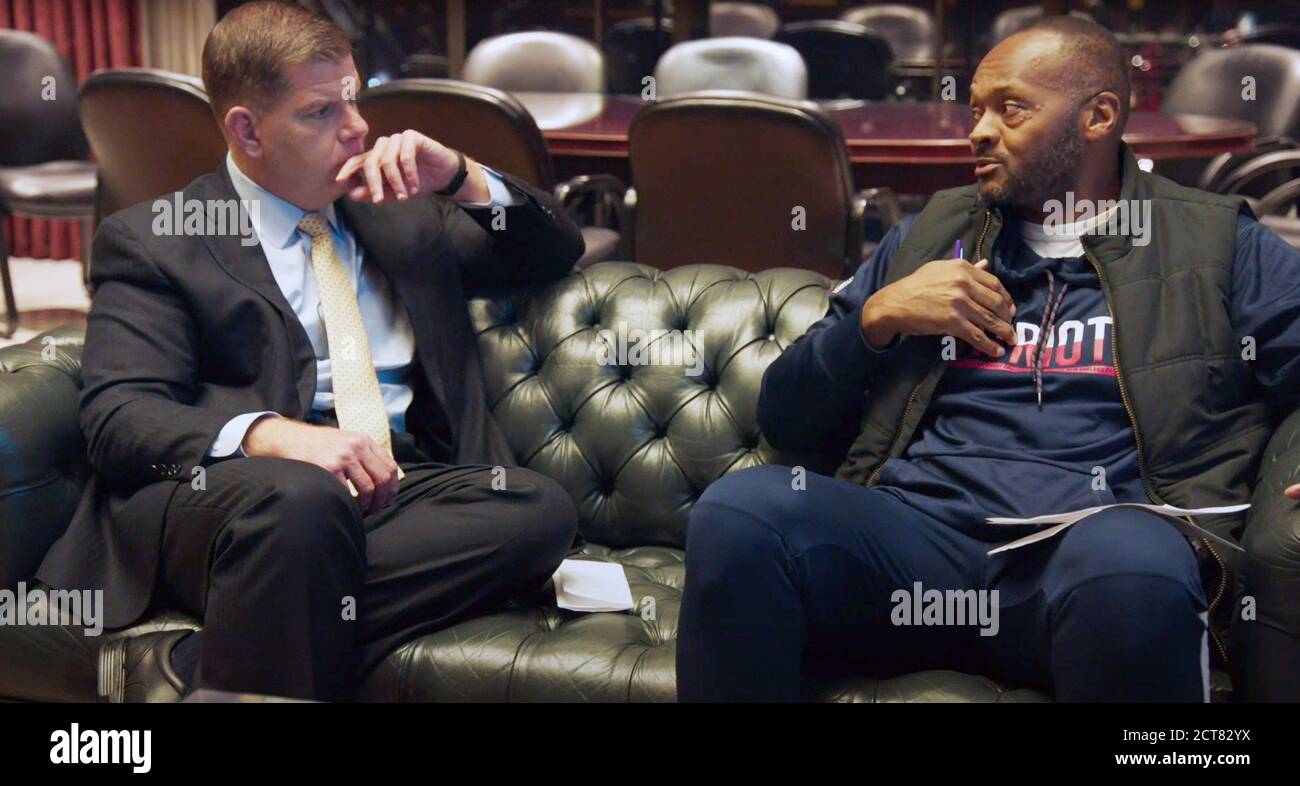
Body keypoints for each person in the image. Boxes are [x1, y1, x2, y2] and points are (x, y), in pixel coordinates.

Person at [676, 17, 1300, 702]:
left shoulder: (1213, 238)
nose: (978, 130)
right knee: (740, 511)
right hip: (915, 545)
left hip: (1086, 555)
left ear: (1098, 116)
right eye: (975, 109)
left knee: (1134, 558)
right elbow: (787, 417)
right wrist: (877, 319)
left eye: (1011, 108)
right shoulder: (931, 234)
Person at [35, 1, 585, 702]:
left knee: (538, 506)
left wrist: (460, 175)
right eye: (322, 112)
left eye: (355, 101)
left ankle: (205, 658)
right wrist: (274, 436)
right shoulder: (159, 239)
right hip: (240, 501)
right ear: (246, 130)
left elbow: (553, 250)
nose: (357, 129)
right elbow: (117, 417)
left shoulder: (400, 208)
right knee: (302, 503)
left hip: (398, 493)